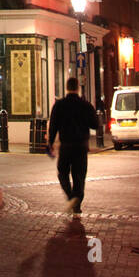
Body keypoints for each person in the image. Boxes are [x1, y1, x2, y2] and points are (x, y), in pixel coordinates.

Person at [47, 75, 100, 215]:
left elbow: (53, 126)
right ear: (77, 88)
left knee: (62, 172)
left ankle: (71, 196)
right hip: (81, 146)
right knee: (79, 175)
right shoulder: (85, 105)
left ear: (66, 88)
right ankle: (77, 202)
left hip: (66, 146)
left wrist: (50, 144)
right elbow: (95, 124)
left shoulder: (59, 105)